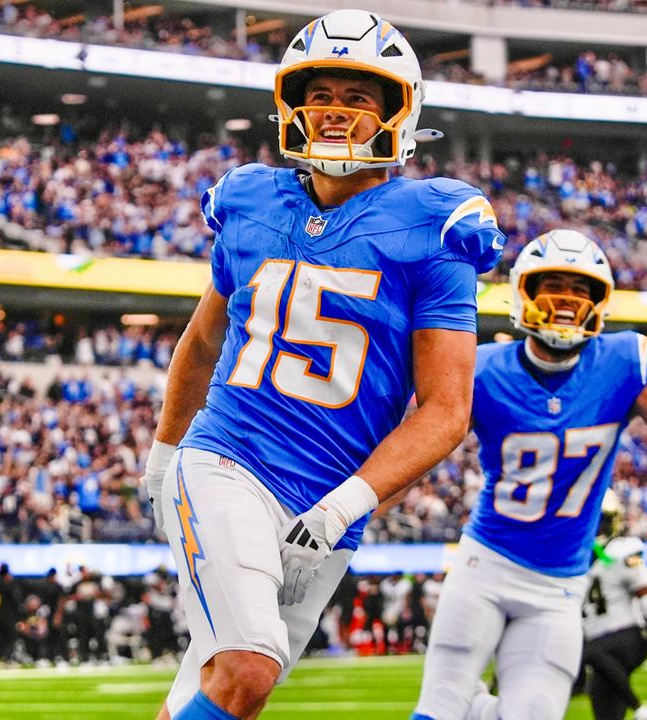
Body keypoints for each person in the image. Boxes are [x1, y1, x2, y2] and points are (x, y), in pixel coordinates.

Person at [140, 9, 503, 719]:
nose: (334, 112)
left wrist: (347, 504)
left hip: (328, 503)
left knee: (214, 692)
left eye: (358, 97)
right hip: (228, 461)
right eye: (320, 94)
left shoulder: (435, 222)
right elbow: (202, 342)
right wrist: (162, 455)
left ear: (399, 110)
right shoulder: (248, 198)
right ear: (291, 105)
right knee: (247, 670)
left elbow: (445, 409)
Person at [412, 230, 647, 720]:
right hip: (486, 566)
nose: (566, 300)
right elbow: (412, 440)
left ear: (599, 301)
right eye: (553, 285)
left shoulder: (625, 361)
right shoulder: (482, 368)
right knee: (439, 708)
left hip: (560, 586)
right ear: (526, 293)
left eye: (580, 289)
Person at [582, 491, 647, 720]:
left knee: (586, 651)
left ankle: (641, 710)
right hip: (601, 647)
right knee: (603, 704)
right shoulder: (576, 556)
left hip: (628, 638)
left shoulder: (623, 551)